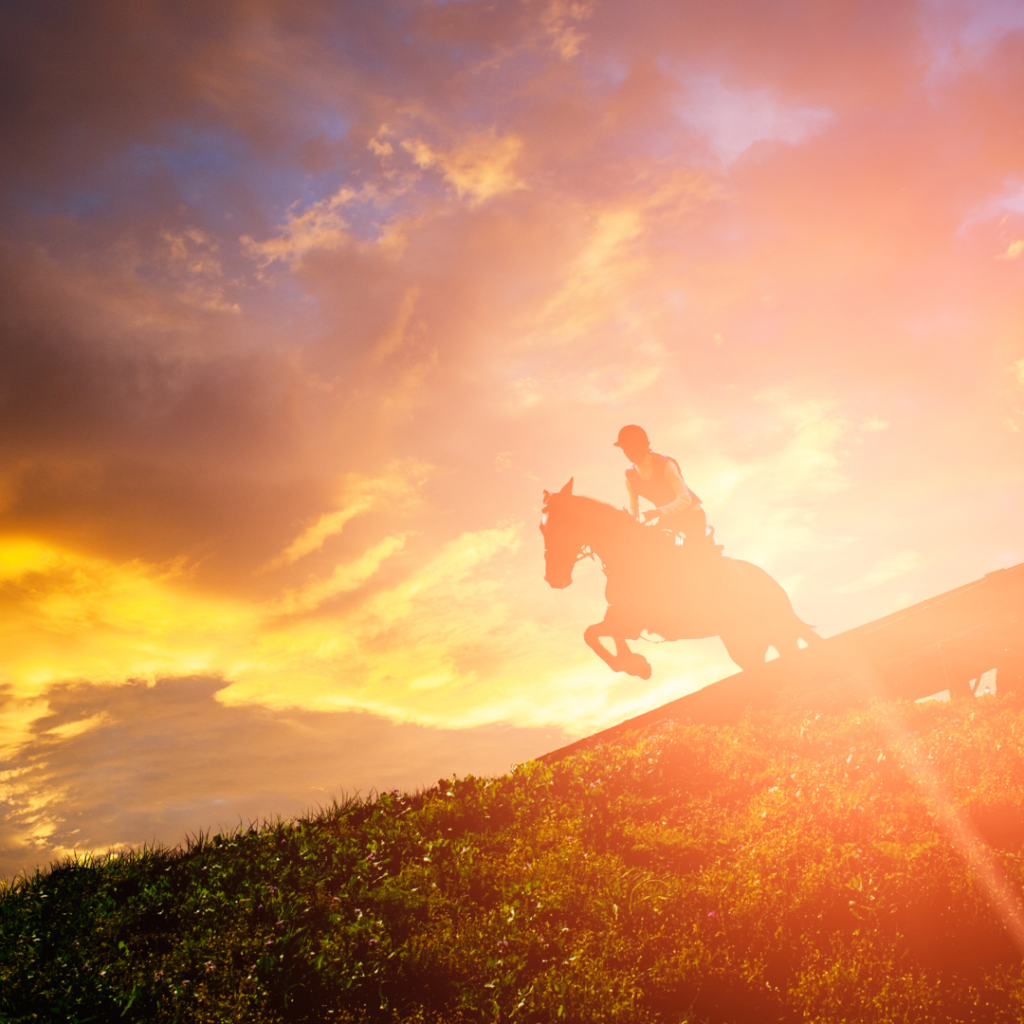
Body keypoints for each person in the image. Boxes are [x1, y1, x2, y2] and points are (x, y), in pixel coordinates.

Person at [613, 424, 711, 549]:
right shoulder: (629, 475)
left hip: (691, 517)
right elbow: (634, 509)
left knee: (693, 555)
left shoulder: (665, 464)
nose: (626, 452)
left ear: (641, 445)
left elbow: (685, 499)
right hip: (669, 519)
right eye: (624, 448)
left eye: (629, 447)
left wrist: (658, 512)